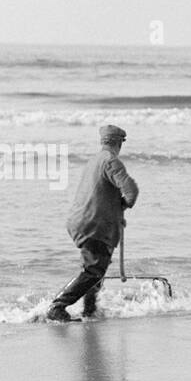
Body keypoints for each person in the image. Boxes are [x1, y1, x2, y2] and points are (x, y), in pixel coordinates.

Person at [46, 125, 139, 322]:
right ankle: (58, 306)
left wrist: (116, 208)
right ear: (118, 142)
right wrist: (124, 204)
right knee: (94, 270)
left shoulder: (94, 161)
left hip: (81, 221)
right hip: (93, 224)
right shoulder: (111, 161)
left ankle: (90, 310)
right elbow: (131, 190)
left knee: (96, 268)